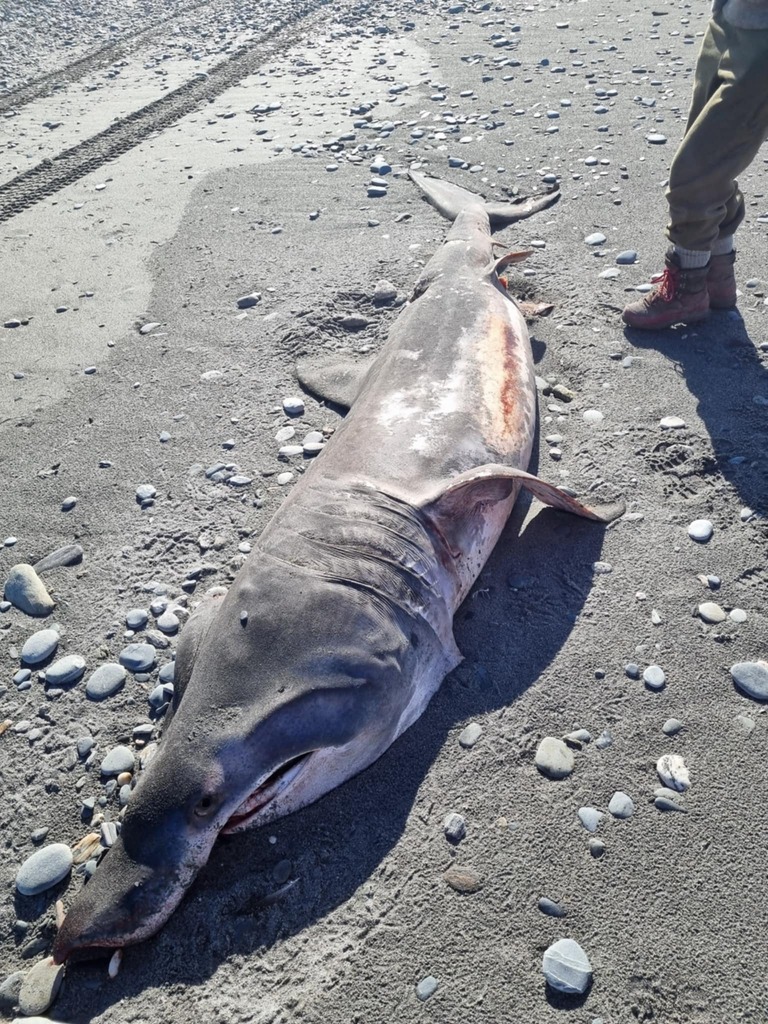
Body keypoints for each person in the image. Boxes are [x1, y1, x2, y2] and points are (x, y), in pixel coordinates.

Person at [622, 0, 768, 329]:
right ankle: (716, 277)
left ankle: (688, 290)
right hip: (729, 17)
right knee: (709, 153)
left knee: (695, 171)